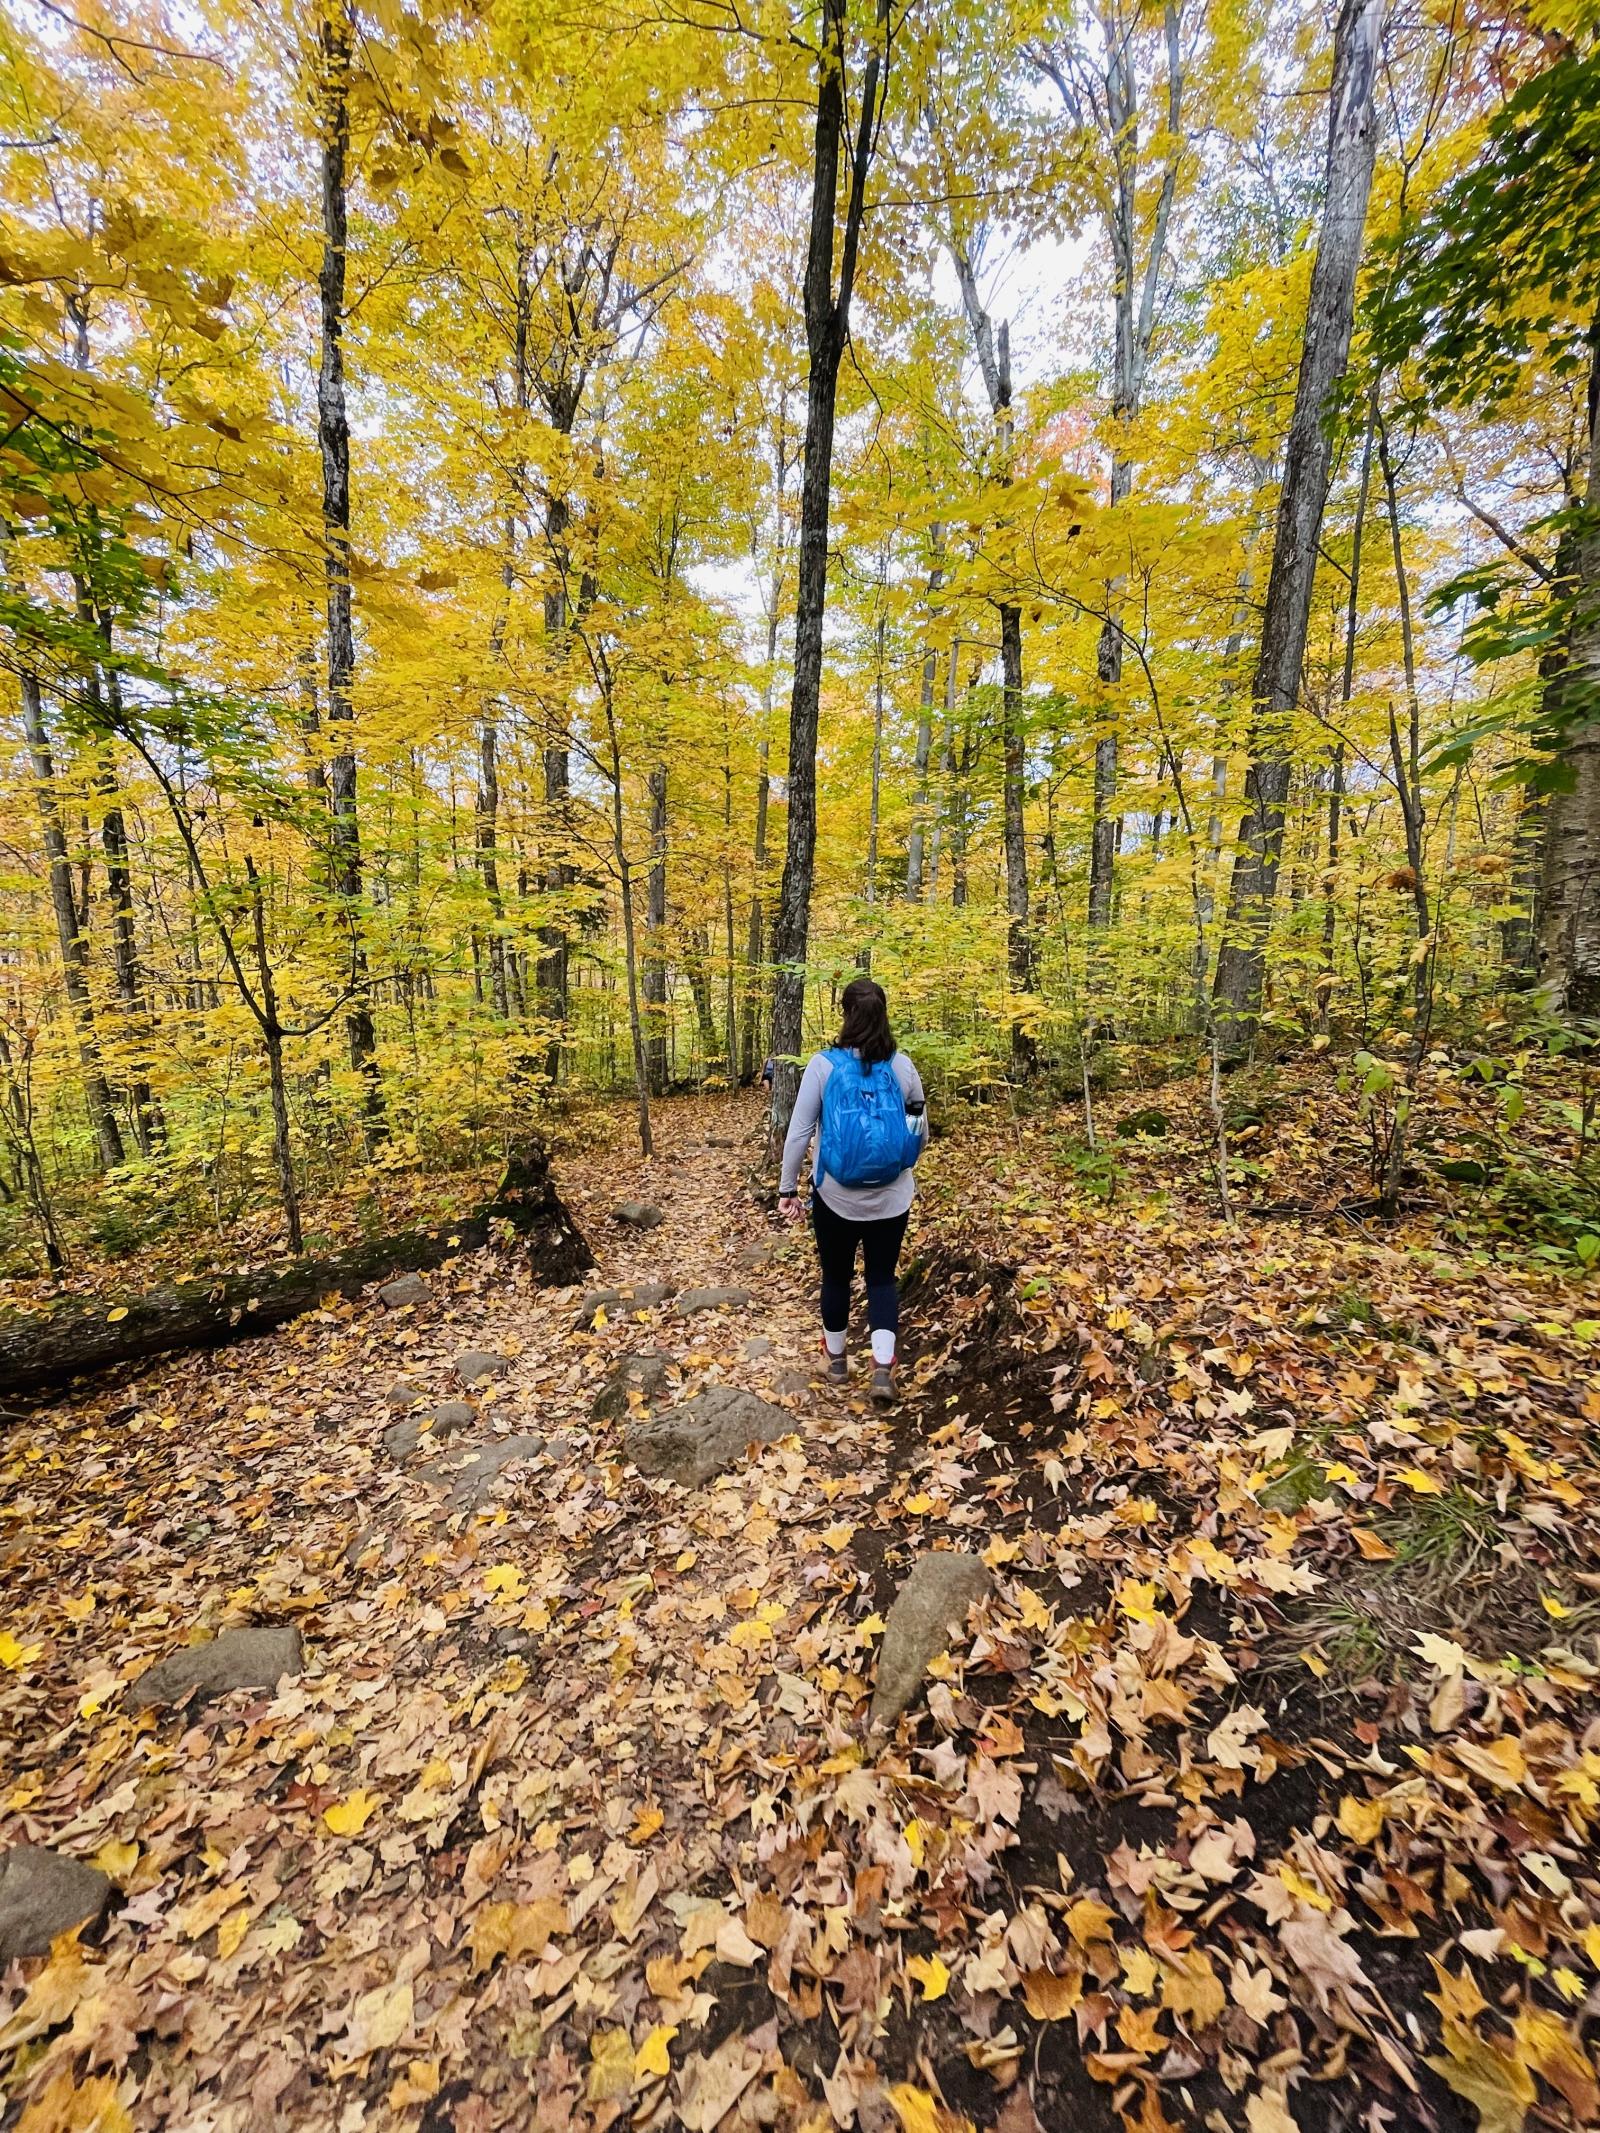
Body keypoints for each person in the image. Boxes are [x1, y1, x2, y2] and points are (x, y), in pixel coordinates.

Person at [777, 977, 927, 1403]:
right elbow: (919, 1129)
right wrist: (900, 1164)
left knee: (836, 1276)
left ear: (845, 1014)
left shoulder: (823, 1067)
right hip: (893, 1197)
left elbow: (799, 1133)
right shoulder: (903, 1066)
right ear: (884, 1016)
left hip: (835, 1197)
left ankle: (837, 1361)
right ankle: (882, 1370)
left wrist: (787, 1189)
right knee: (882, 1278)